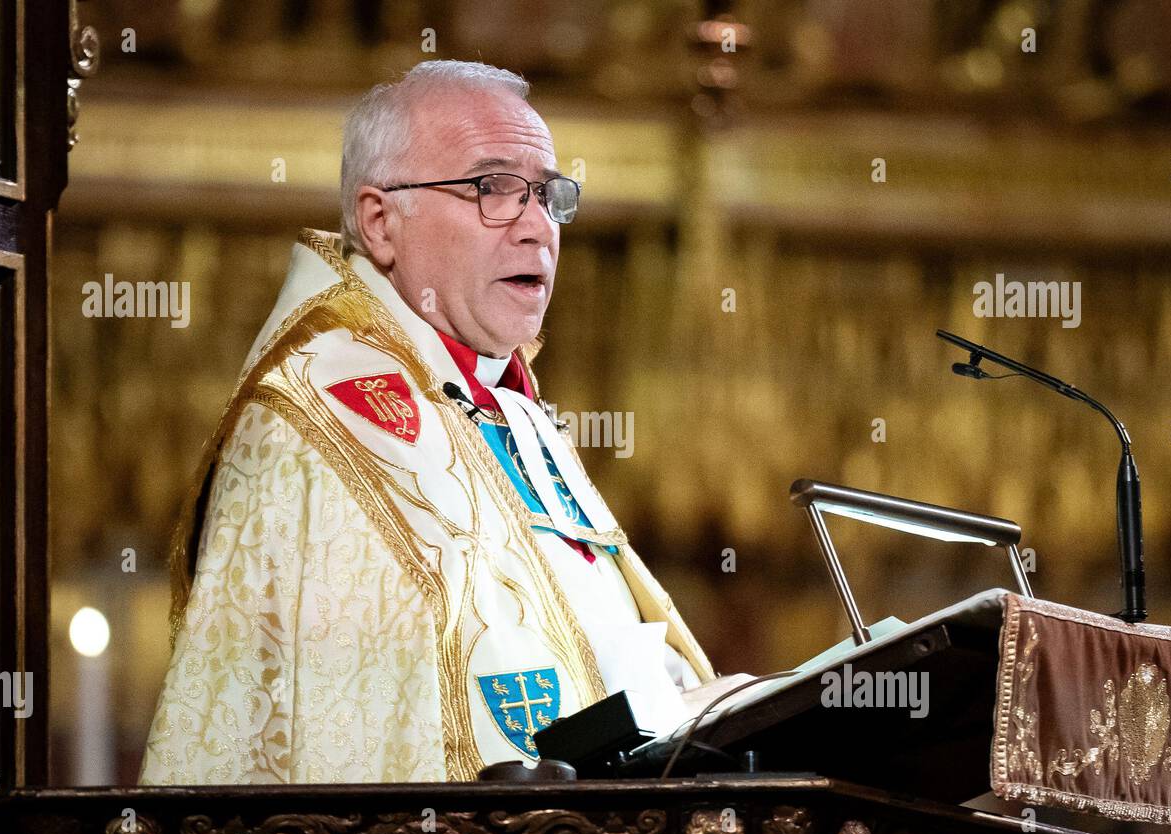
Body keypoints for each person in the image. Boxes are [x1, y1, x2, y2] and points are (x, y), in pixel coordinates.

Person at [139, 60, 750, 785]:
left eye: (549, 196)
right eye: (492, 189)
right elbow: (337, 739)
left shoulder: (516, 415)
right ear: (380, 222)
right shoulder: (313, 422)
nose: (537, 228)